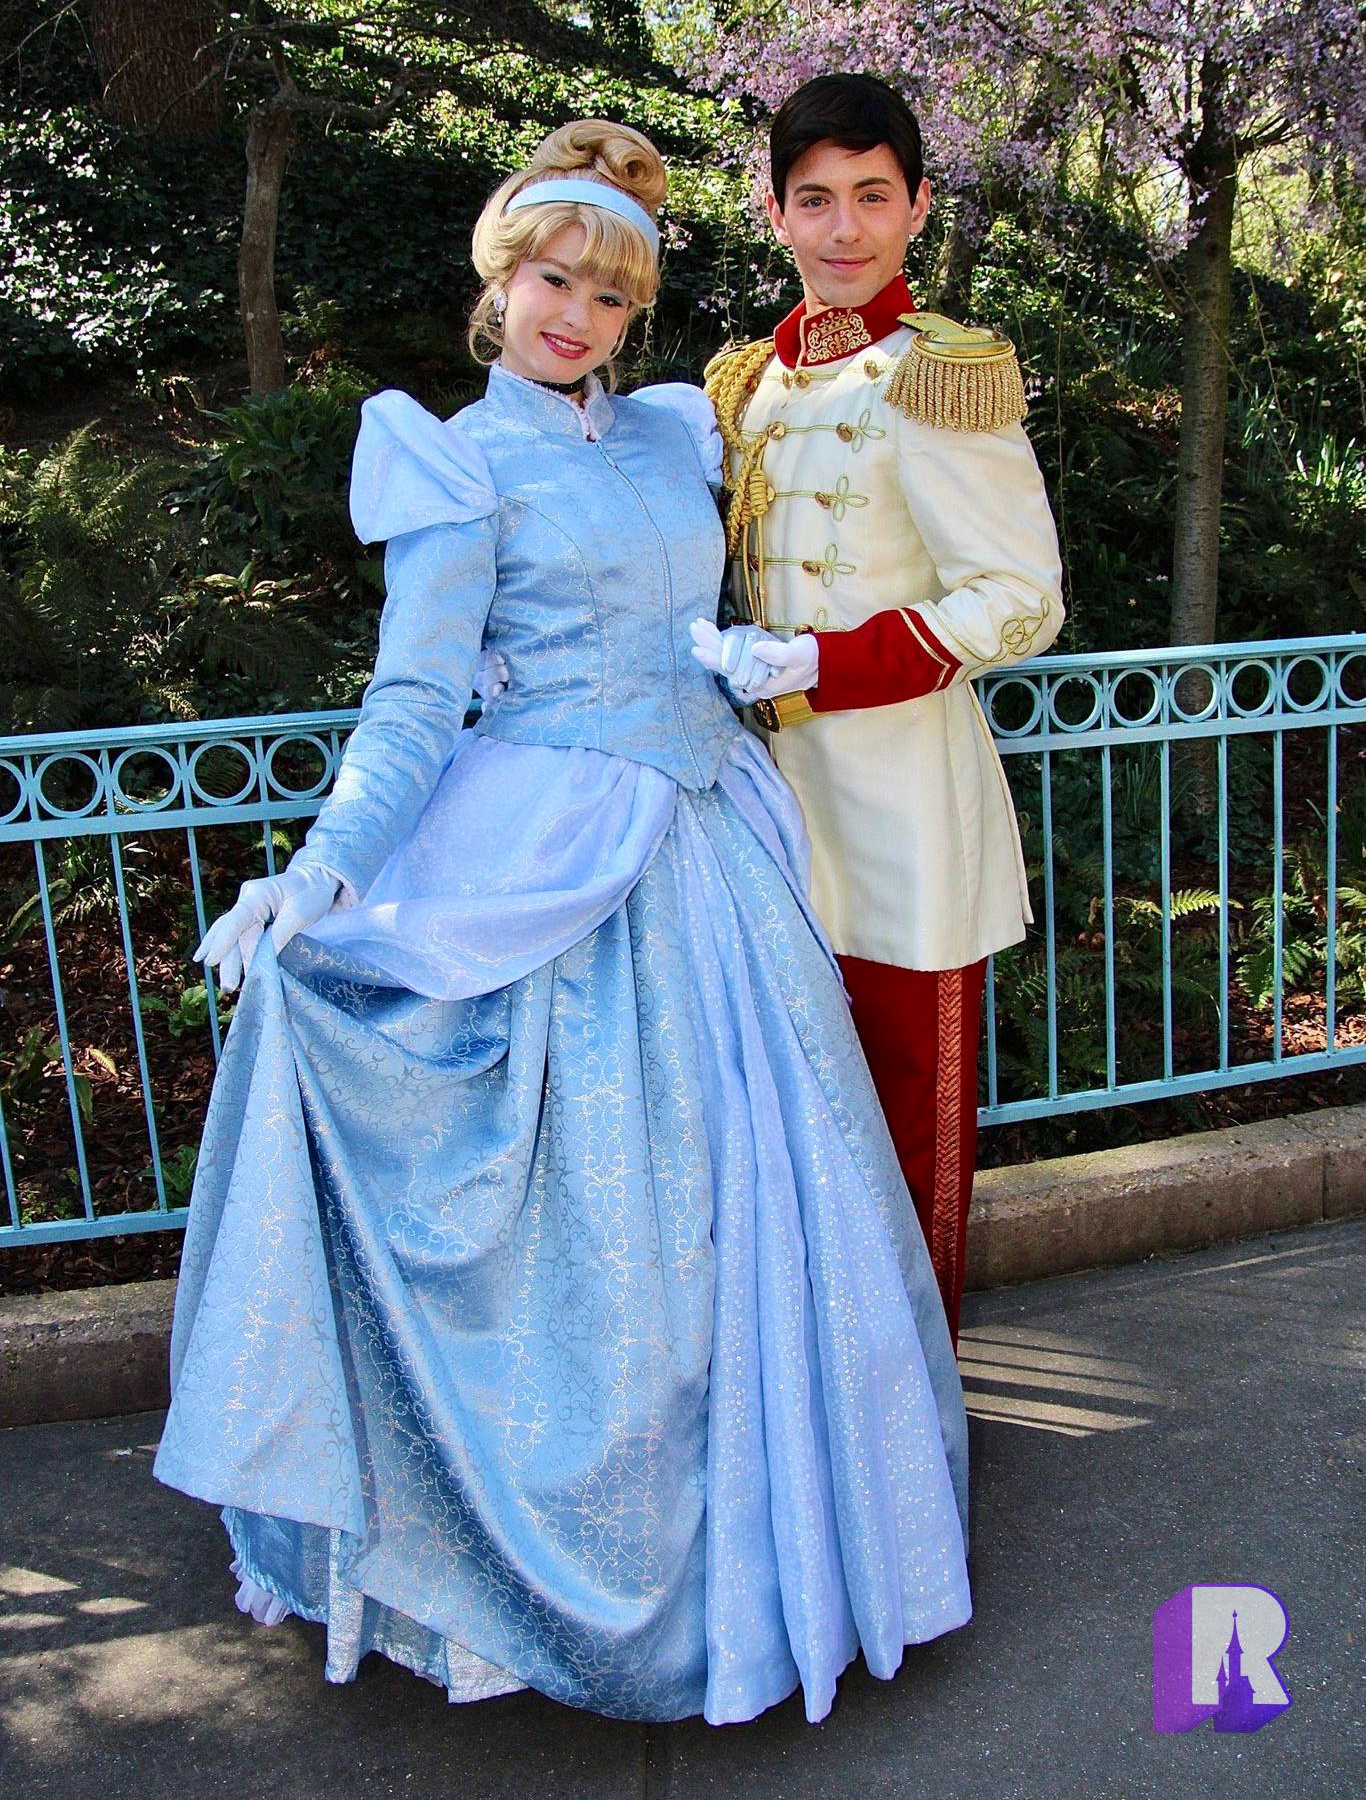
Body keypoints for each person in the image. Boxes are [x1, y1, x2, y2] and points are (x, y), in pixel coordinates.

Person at [154, 119, 971, 1728]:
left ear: (634, 313)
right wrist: (315, 877)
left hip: (711, 849)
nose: (572, 314)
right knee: (597, 1247)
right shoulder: (451, 461)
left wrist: (752, 658)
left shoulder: (675, 435)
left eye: (605, 291)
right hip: (550, 851)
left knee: (749, 1229)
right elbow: (410, 705)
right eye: (548, 277)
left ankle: (778, 1547)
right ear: (498, 280)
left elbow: (709, 607)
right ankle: (527, 1582)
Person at [696, 75, 1065, 1345]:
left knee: (911, 1120)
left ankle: (912, 1426)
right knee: (784, 1114)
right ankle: (812, 1421)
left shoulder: (942, 376)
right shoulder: (742, 384)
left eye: (870, 197)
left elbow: (1020, 599)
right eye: (815, 200)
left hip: (906, 812)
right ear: (774, 211)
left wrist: (822, 666)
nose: (843, 228)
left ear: (914, 206)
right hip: (765, 819)